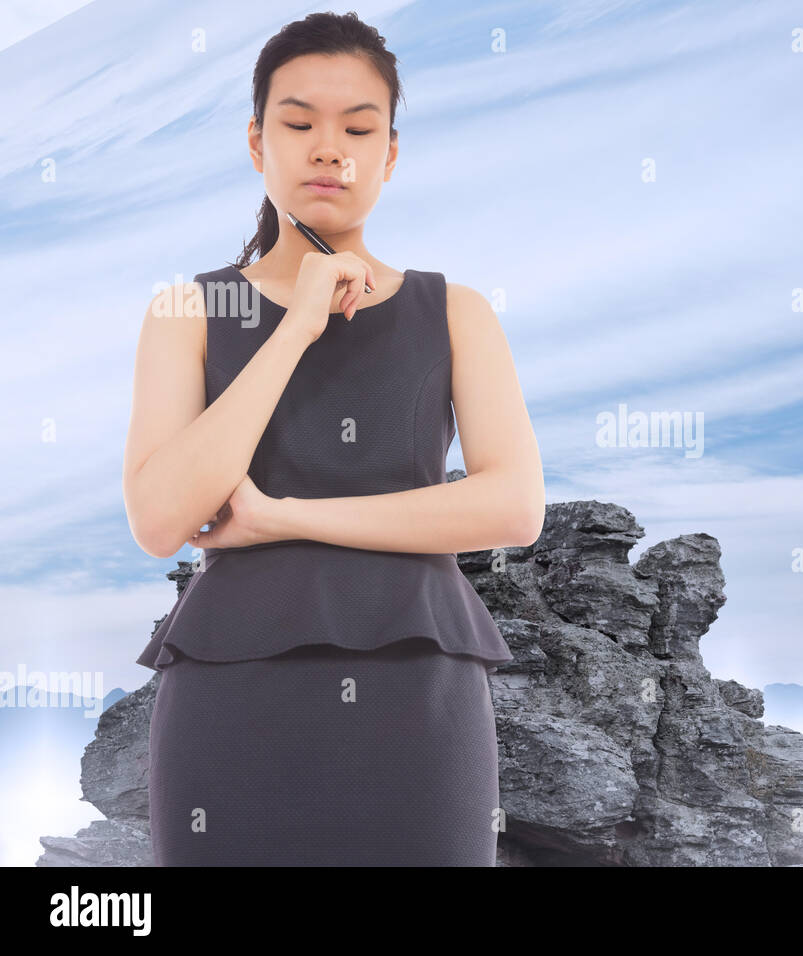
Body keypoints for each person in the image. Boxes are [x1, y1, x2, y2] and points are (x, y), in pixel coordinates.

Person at [121, 11, 544, 866]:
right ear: (256, 142)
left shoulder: (455, 310)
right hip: (229, 696)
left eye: (359, 128)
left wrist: (284, 519)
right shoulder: (188, 311)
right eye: (299, 122)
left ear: (389, 155)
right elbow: (161, 518)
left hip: (419, 692)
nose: (329, 148)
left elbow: (512, 506)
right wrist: (296, 325)